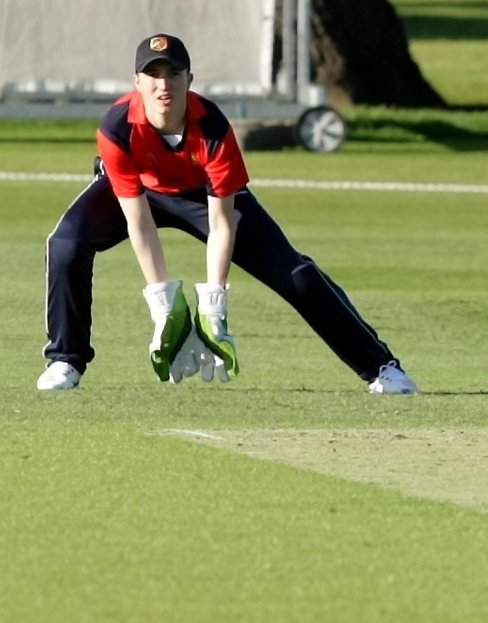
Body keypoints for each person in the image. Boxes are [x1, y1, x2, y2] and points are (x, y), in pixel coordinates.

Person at [37, 34, 417, 395]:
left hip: (204, 197)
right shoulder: (117, 127)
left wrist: (214, 303)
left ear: (190, 78)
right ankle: (65, 360)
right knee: (66, 243)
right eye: (153, 74)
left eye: (173, 73)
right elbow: (139, 221)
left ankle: (382, 367)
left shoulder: (213, 127)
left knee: (298, 275)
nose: (163, 84)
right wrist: (164, 305)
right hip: (140, 190)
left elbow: (221, 223)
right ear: (137, 81)